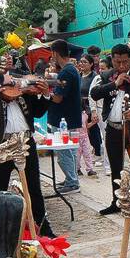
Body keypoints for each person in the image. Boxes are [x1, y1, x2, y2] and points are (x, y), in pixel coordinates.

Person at [89, 43, 130, 215]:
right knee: (116, 166)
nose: (122, 66)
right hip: (113, 128)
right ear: (113, 61)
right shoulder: (106, 75)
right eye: (118, 62)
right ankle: (116, 201)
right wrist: (114, 84)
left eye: (125, 62)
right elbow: (94, 93)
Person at [0, 65, 53, 237]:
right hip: (2, 145)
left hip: (26, 142)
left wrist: (46, 93)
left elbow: (40, 110)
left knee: (34, 188)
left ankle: (43, 227)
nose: (13, 84)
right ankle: (0, 232)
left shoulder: (24, 93)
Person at [46, 40, 84, 193]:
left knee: (64, 151)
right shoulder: (70, 70)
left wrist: (45, 93)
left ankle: (72, 182)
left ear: (55, 53)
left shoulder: (67, 72)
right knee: (70, 150)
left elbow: (57, 98)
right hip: (70, 117)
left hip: (64, 120)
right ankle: (71, 178)